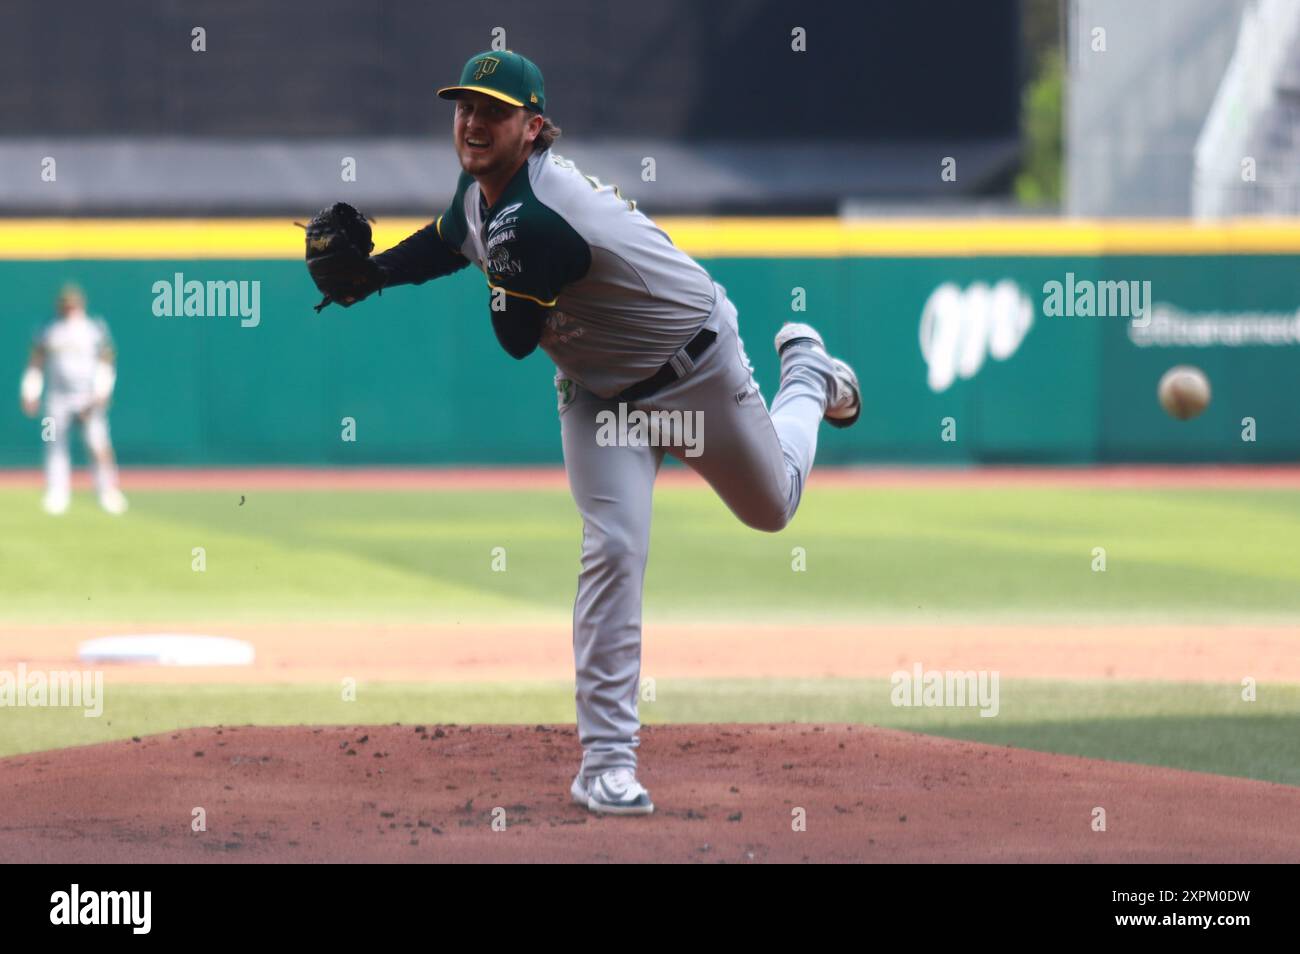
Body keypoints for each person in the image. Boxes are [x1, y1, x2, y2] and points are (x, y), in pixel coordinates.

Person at [305, 51, 860, 815]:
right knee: (615, 546)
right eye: (465, 106)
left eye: (493, 111)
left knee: (774, 508)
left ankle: (805, 373)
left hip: (694, 368)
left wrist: (504, 269)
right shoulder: (485, 195)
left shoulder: (537, 216)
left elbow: (512, 339)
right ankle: (606, 763)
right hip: (600, 393)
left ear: (532, 129)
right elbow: (445, 241)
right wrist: (371, 277)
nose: (472, 121)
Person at [21, 284, 127, 516]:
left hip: (88, 397)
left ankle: (108, 490)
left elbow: (106, 361)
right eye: (66, 304)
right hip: (57, 398)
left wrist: (101, 392)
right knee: (54, 443)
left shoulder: (94, 329)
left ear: (81, 304)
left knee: (98, 444)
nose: (70, 309)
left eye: (73, 304)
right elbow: (36, 363)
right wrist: (30, 391)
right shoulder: (48, 330)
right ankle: (57, 492)